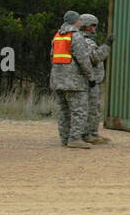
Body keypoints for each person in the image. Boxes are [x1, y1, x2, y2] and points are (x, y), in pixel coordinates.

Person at [48, 11, 91, 148]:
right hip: (74, 81)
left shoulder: (57, 36)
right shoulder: (76, 36)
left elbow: (51, 56)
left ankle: (65, 138)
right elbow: (83, 59)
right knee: (79, 110)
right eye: (79, 19)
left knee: (63, 110)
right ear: (75, 21)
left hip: (58, 80)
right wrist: (90, 76)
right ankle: (75, 138)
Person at [77, 14, 112, 144]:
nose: (95, 29)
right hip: (90, 81)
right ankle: (89, 134)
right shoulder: (86, 41)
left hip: (90, 80)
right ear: (87, 26)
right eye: (93, 26)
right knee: (92, 108)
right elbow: (95, 58)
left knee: (93, 108)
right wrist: (107, 45)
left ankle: (91, 133)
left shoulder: (80, 40)